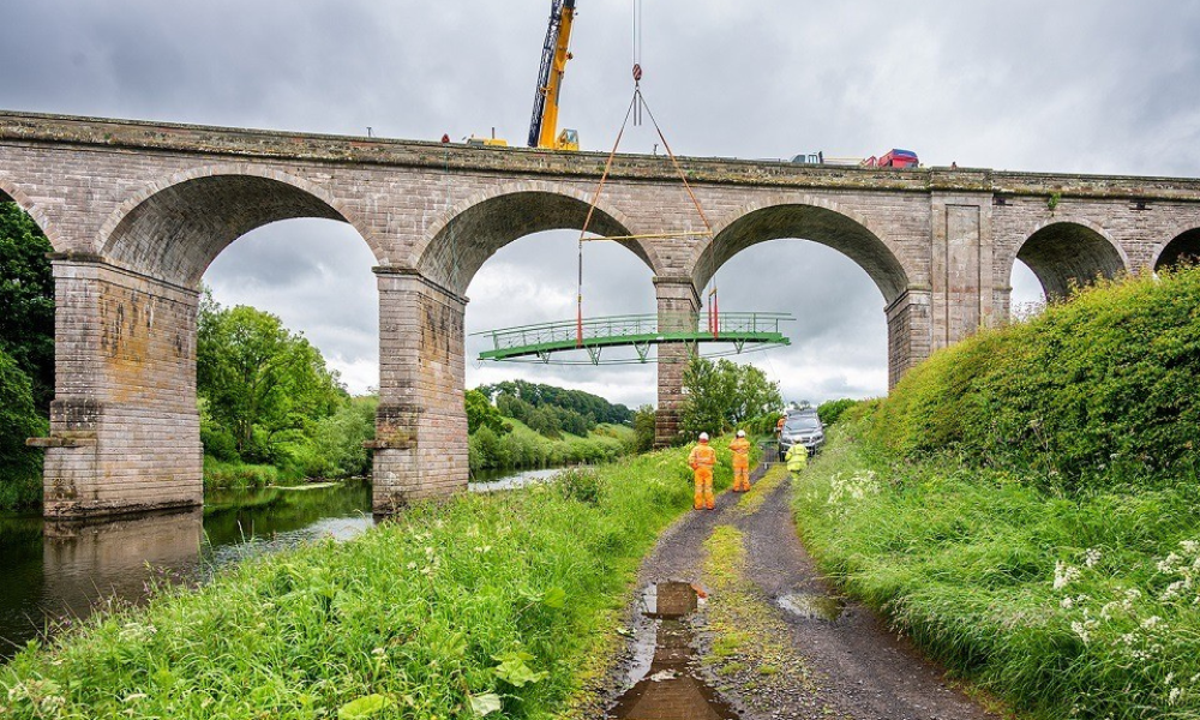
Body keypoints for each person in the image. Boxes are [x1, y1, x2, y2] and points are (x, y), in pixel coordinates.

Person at [687, 432, 717, 510]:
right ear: (707, 440)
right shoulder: (711, 450)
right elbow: (714, 460)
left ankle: (698, 505)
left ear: (700, 439)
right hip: (708, 471)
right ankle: (710, 505)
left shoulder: (696, 449)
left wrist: (694, 467)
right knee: (708, 488)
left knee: (698, 488)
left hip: (699, 470)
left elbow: (690, 460)